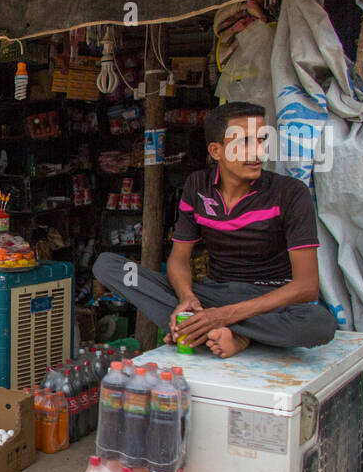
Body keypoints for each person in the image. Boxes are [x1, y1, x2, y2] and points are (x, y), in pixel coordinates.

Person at [92, 100, 336, 359]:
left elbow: (307, 286)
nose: (257, 153)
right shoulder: (198, 186)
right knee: (109, 266)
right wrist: (187, 298)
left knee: (320, 323)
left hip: (268, 299)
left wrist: (223, 316)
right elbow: (178, 258)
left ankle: (218, 332)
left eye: (262, 140)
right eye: (243, 142)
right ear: (216, 150)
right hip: (212, 294)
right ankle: (206, 327)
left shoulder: (290, 193)